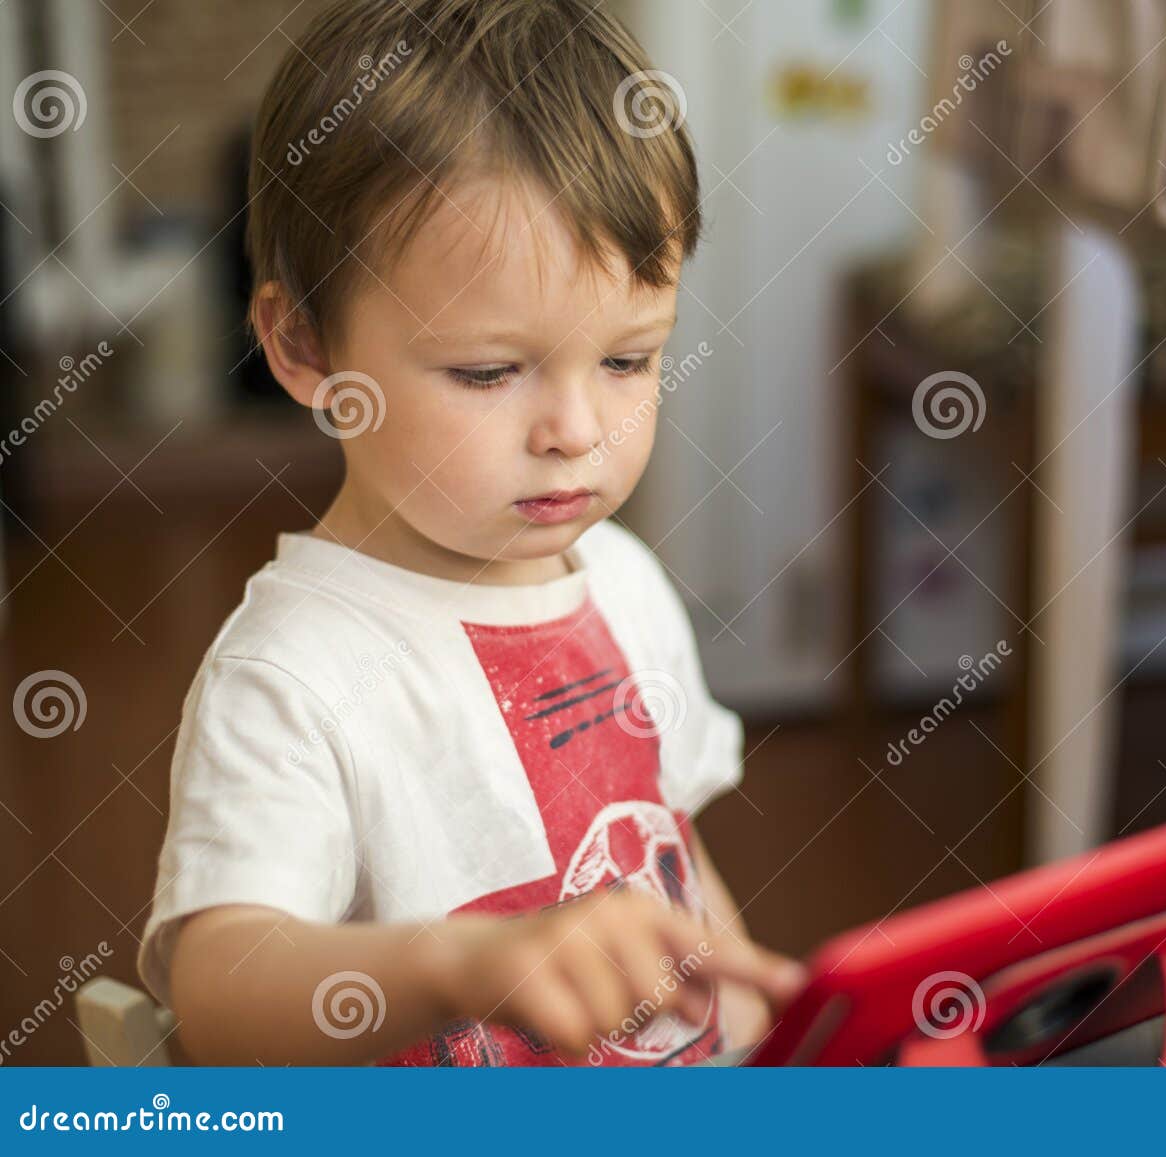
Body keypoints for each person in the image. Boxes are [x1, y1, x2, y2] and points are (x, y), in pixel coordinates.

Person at [135, 0, 803, 1067]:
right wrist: (466, 964)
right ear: (303, 347)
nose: (575, 430)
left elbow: (676, 867)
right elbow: (219, 993)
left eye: (627, 360)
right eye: (489, 372)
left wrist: (775, 1042)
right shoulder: (295, 677)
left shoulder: (623, 582)